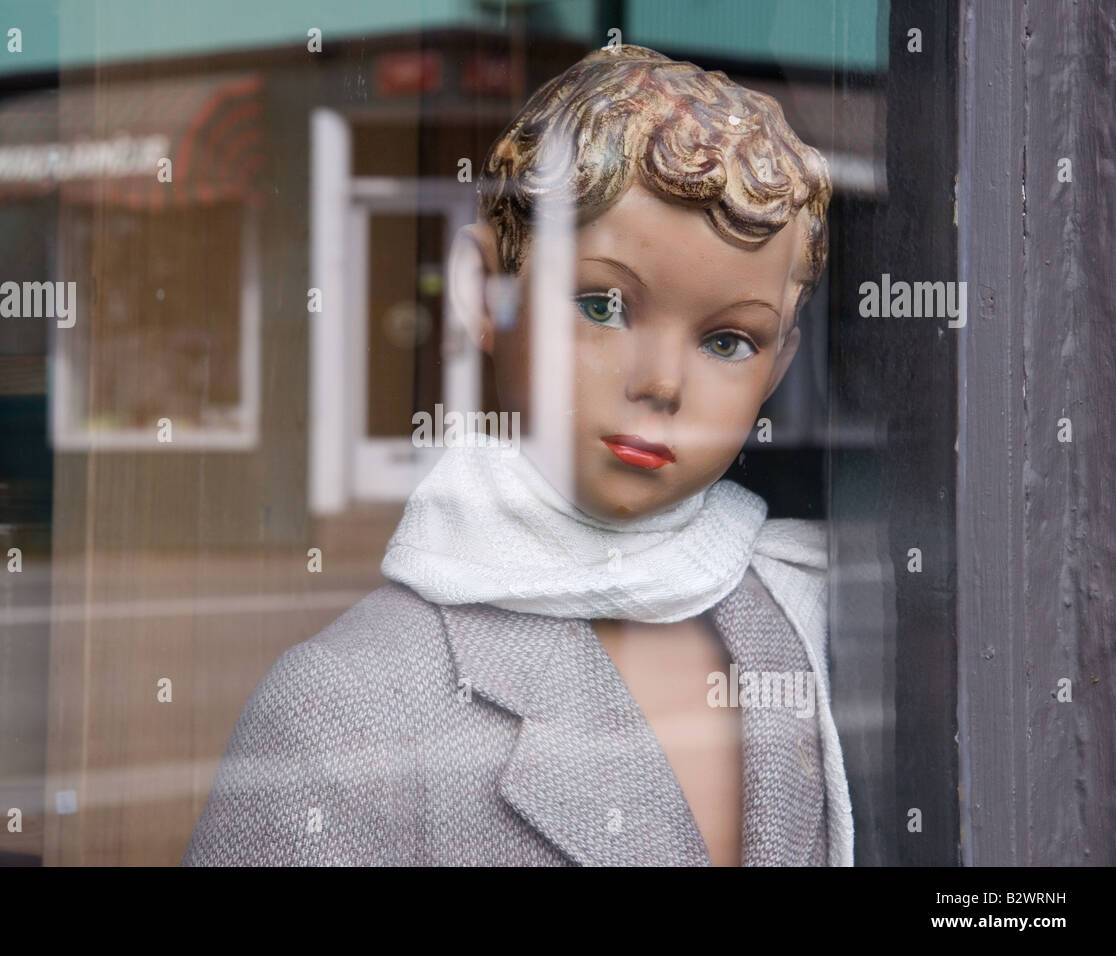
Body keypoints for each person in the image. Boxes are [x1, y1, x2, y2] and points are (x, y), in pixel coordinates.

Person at [183, 44, 852, 866]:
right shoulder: (342, 713)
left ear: (780, 363)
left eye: (727, 339)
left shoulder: (812, 634)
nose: (661, 383)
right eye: (602, 304)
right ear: (483, 291)